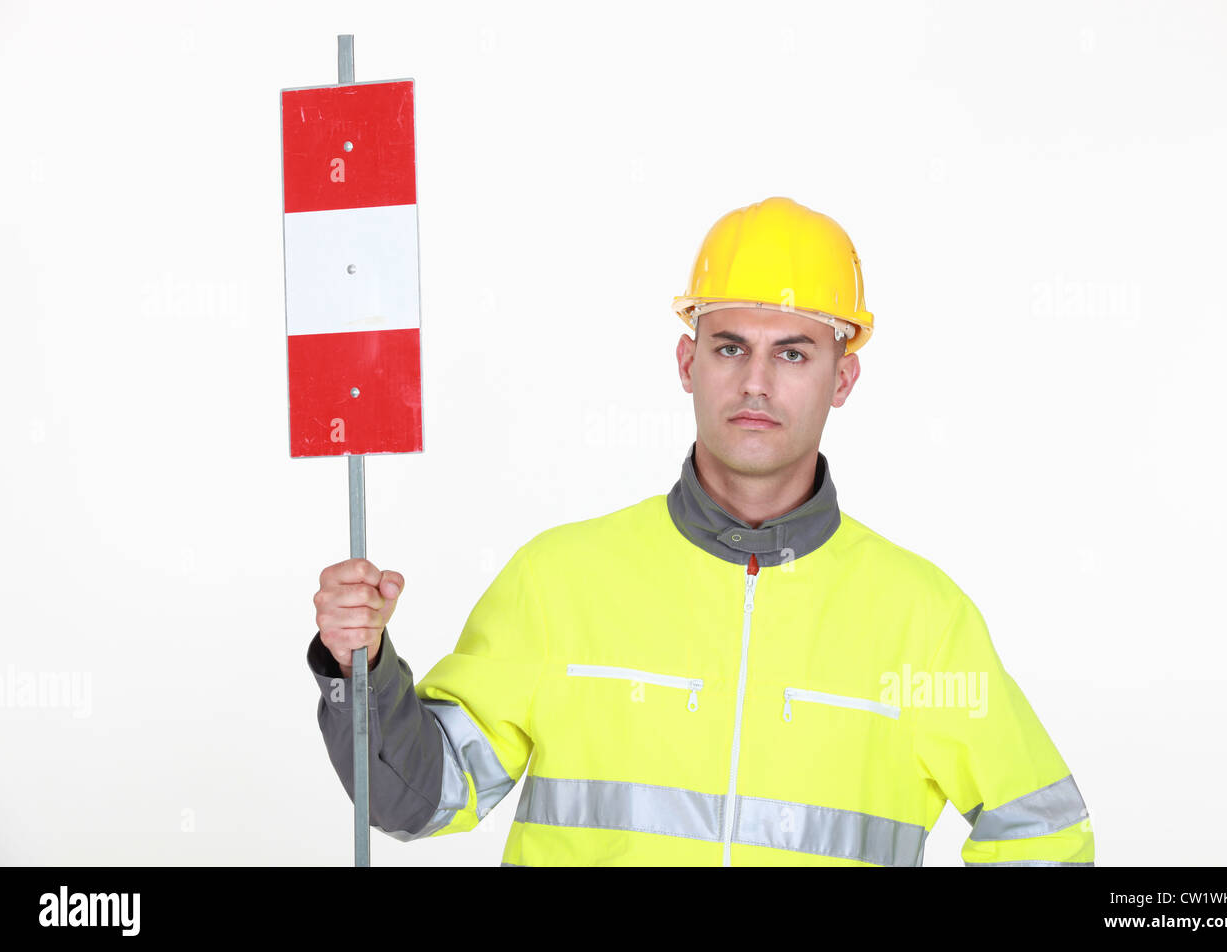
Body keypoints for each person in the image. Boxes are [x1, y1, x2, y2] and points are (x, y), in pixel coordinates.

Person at [306, 196, 1095, 866]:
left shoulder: (924, 620)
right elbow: (420, 797)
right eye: (729, 347)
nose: (756, 381)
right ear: (687, 363)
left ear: (843, 377)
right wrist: (361, 666)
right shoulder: (560, 582)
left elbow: (1043, 832)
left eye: (793, 352)